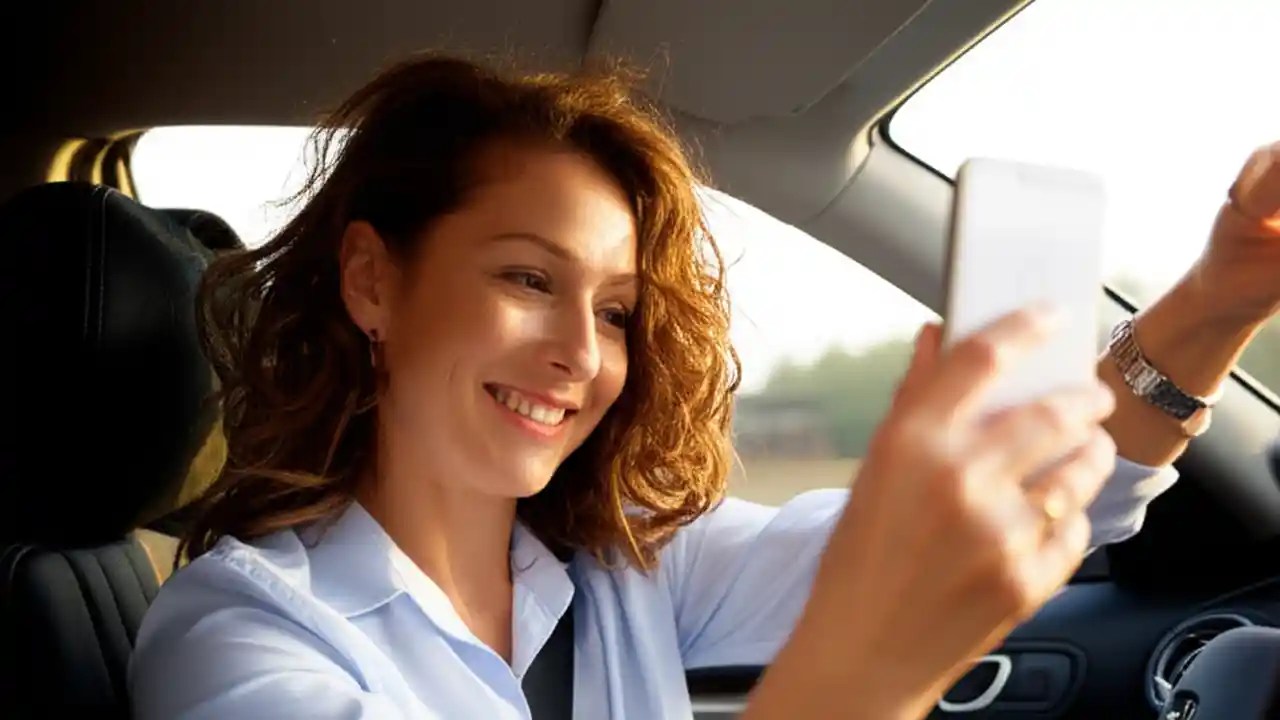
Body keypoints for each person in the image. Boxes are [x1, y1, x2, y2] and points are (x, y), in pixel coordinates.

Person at [127, 53, 1280, 719]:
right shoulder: (236, 642)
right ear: (374, 282)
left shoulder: (632, 567)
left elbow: (1040, 504)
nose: (581, 352)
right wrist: (864, 675)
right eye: (529, 278)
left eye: (617, 311)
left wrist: (1220, 298)